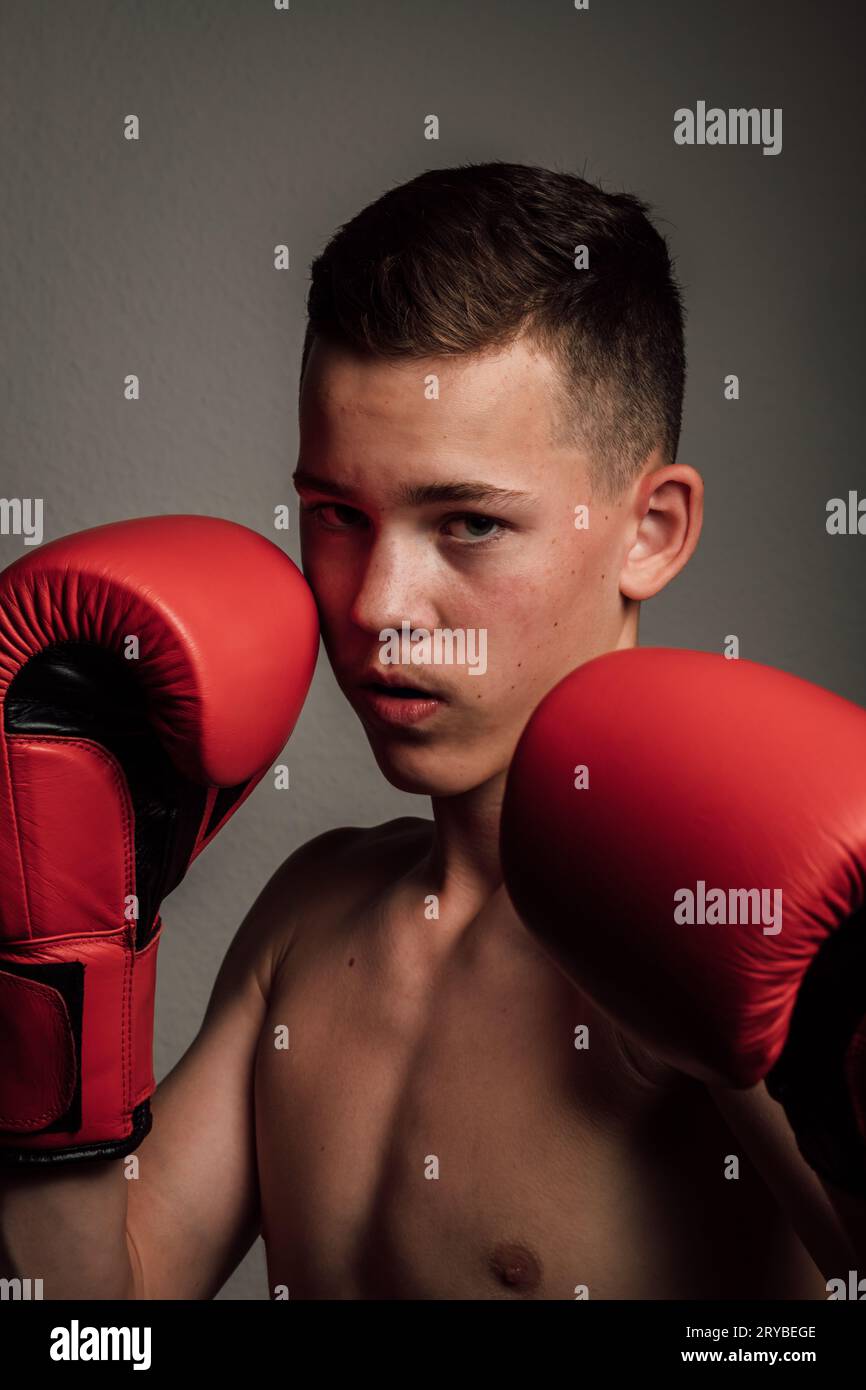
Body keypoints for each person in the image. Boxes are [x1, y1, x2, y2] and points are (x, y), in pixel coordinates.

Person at [0, 163, 852, 1299]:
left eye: (468, 523)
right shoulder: (309, 914)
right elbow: (96, 1325)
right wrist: (49, 974)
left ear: (648, 528)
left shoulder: (706, 946)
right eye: (337, 516)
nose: (376, 606)